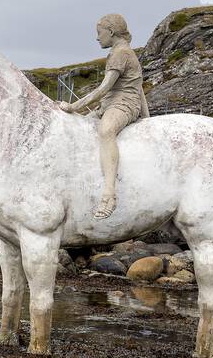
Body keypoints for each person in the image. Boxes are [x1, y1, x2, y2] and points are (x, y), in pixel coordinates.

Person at [58, 13, 149, 219]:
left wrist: (73, 106)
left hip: (122, 104)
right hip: (109, 104)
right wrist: (147, 116)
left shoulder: (122, 53)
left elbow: (103, 88)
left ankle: (109, 194)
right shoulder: (120, 52)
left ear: (111, 31)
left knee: (106, 130)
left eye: (99, 33)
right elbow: (140, 86)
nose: (97, 38)